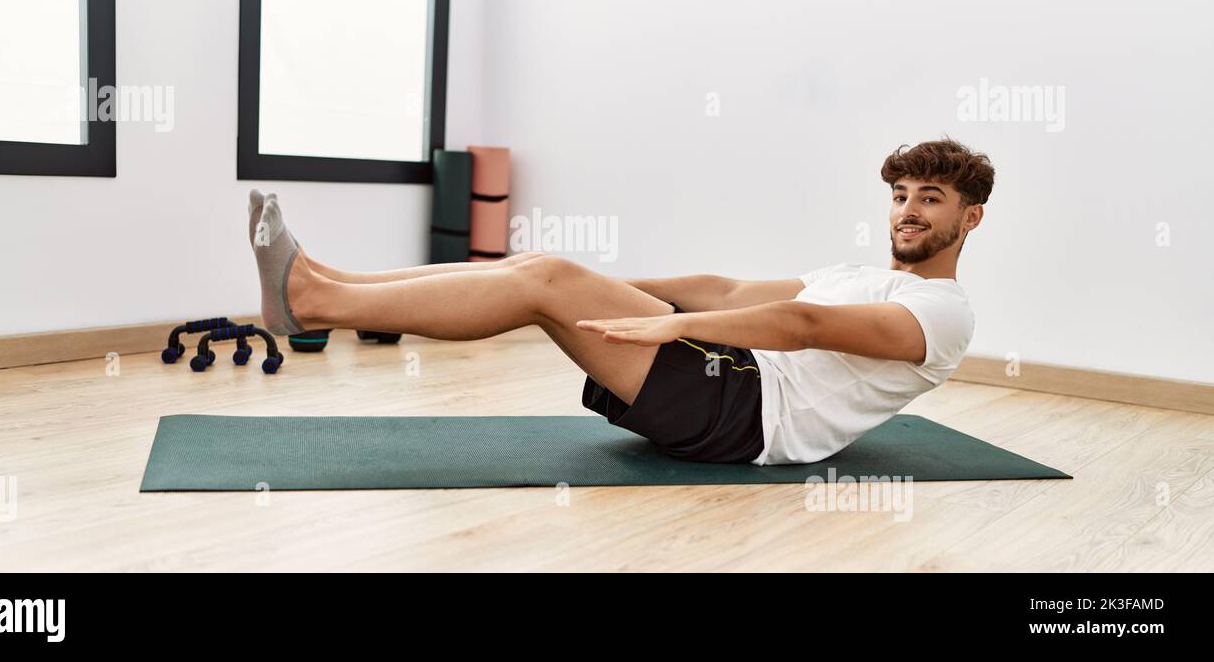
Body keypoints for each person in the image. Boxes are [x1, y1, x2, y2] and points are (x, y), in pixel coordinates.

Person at [248, 138, 992, 466]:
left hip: (745, 411)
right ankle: (325, 283)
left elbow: (802, 327)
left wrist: (667, 324)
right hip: (722, 380)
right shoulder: (858, 270)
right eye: (900, 196)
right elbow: (729, 290)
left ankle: (312, 304)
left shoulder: (945, 313)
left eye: (931, 198)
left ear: (970, 217)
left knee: (545, 281)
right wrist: (620, 286)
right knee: (542, 268)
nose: (907, 210)